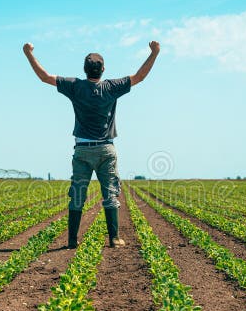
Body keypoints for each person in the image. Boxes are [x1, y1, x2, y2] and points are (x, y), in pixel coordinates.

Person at [22, 40, 160, 248]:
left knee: (78, 194)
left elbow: (45, 77)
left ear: (84, 70)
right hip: (106, 149)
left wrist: (28, 53)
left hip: (82, 151)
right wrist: (154, 52)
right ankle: (114, 238)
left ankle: (71, 241)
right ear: (103, 69)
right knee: (110, 193)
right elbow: (139, 77)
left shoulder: (75, 86)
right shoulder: (112, 87)